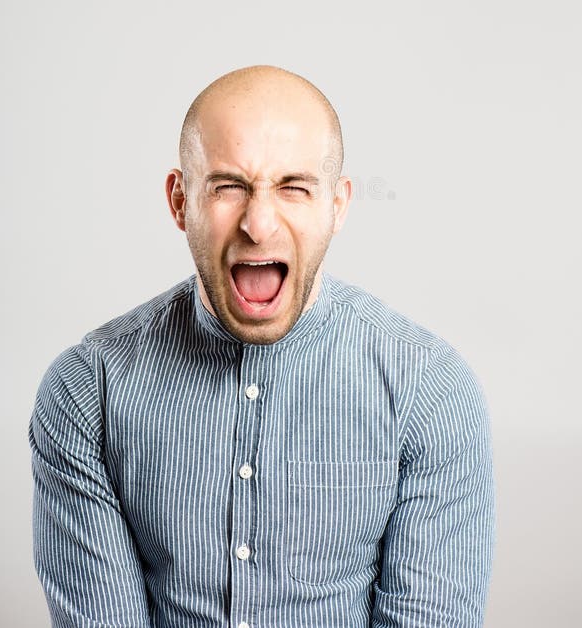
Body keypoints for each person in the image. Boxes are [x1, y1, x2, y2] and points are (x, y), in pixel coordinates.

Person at [30, 65, 495, 628]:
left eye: (294, 187)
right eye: (229, 186)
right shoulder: (88, 390)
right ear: (180, 201)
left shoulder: (430, 389)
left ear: (338, 205)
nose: (259, 223)